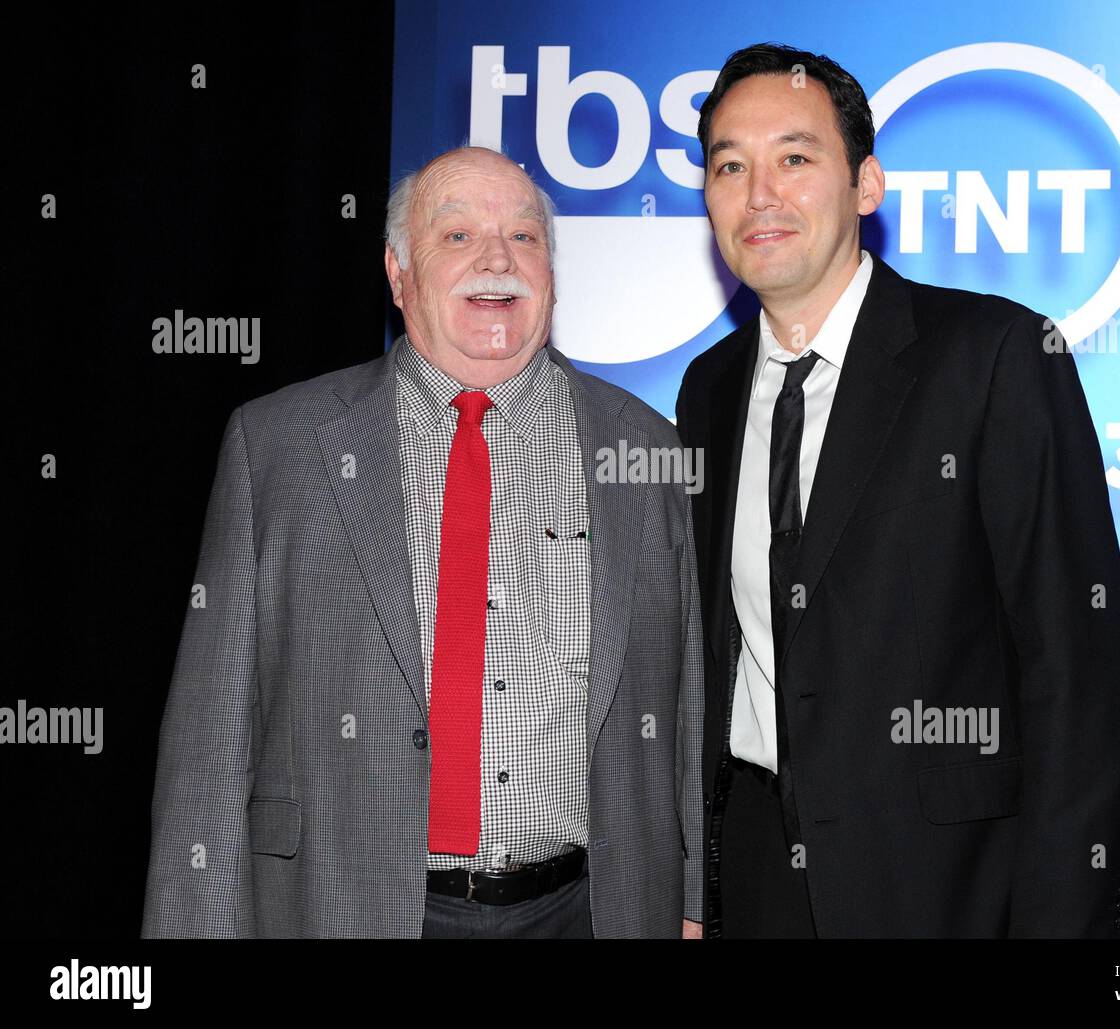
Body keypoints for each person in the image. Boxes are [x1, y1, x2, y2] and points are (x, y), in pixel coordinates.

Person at [142, 146, 704, 939]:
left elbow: (681, 703)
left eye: (524, 236)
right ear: (398, 274)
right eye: (457, 236)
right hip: (344, 906)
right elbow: (211, 732)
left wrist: (688, 906)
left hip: (587, 912)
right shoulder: (279, 445)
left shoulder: (643, 450)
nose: (498, 258)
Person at [675, 43, 1120, 938]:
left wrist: (1056, 915)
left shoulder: (994, 355)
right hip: (761, 880)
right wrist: (698, 886)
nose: (759, 193)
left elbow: (1076, 669)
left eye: (796, 158)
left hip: (957, 886)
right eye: (730, 165)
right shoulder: (707, 387)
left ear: (867, 185)